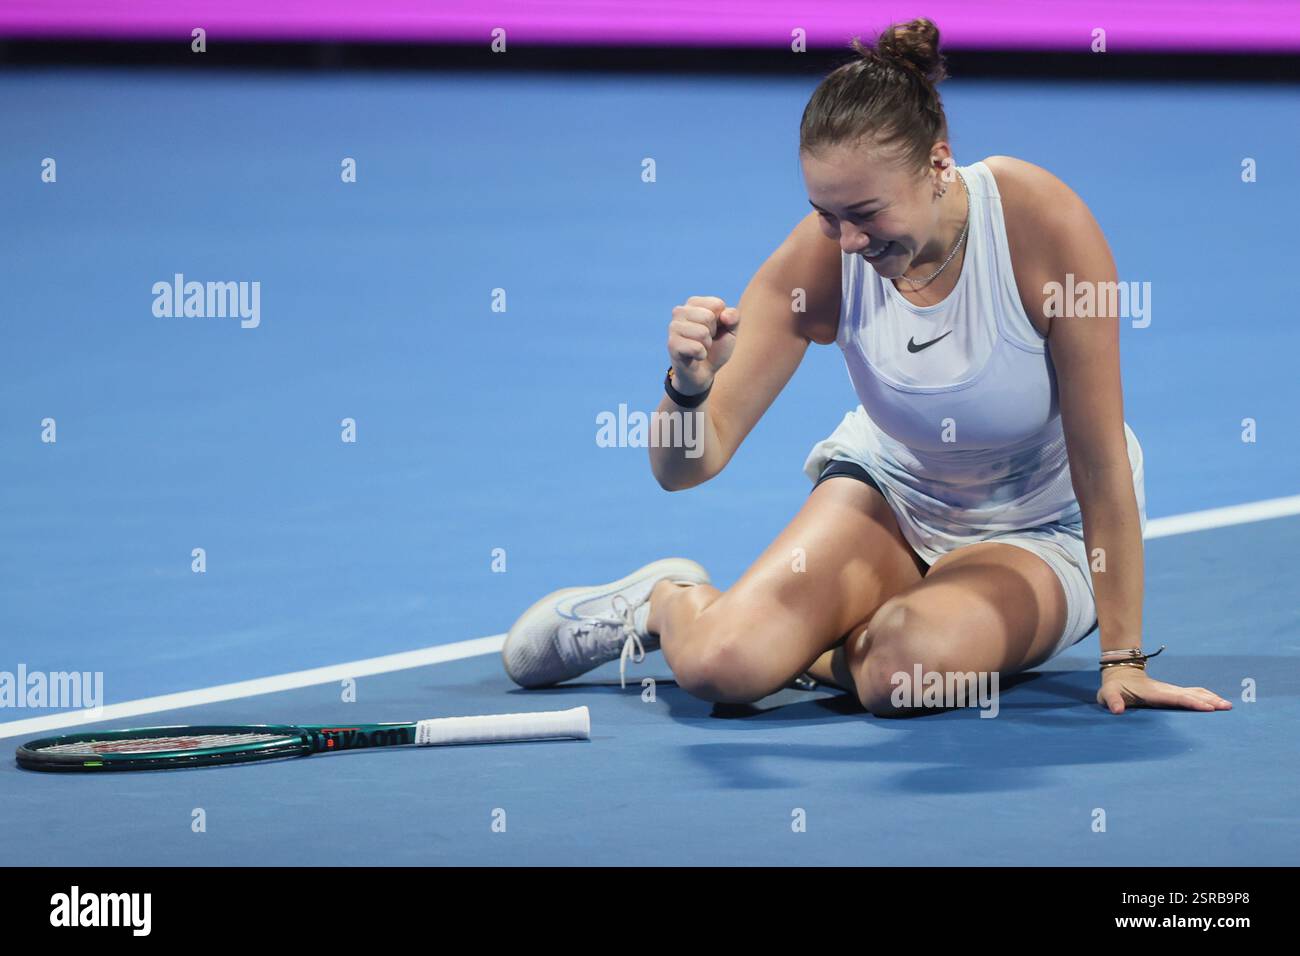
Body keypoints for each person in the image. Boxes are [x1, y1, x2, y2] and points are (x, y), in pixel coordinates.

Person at [502, 18, 1231, 717]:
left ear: (938, 163)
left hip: (1042, 532)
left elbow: (1101, 462)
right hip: (893, 498)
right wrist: (686, 390)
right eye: (826, 214)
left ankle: (868, 636)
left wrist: (1124, 659)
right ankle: (666, 601)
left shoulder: (1043, 226)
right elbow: (685, 468)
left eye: (865, 213)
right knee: (723, 668)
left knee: (901, 676)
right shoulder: (821, 259)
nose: (846, 240)